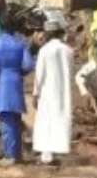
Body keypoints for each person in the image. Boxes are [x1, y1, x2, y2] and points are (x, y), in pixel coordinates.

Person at [0, 18, 35, 164]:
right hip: (16, 81)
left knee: (6, 120)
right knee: (15, 119)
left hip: (1, 81)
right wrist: (19, 73)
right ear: (14, 30)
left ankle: (10, 156)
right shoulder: (20, 44)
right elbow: (30, 65)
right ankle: (16, 155)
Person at [32, 19, 74, 166]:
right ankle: (57, 151)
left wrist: (35, 93)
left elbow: (39, 74)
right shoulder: (68, 50)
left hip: (47, 91)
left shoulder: (44, 50)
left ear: (48, 34)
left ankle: (46, 155)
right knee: (60, 118)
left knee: (46, 121)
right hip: (63, 91)